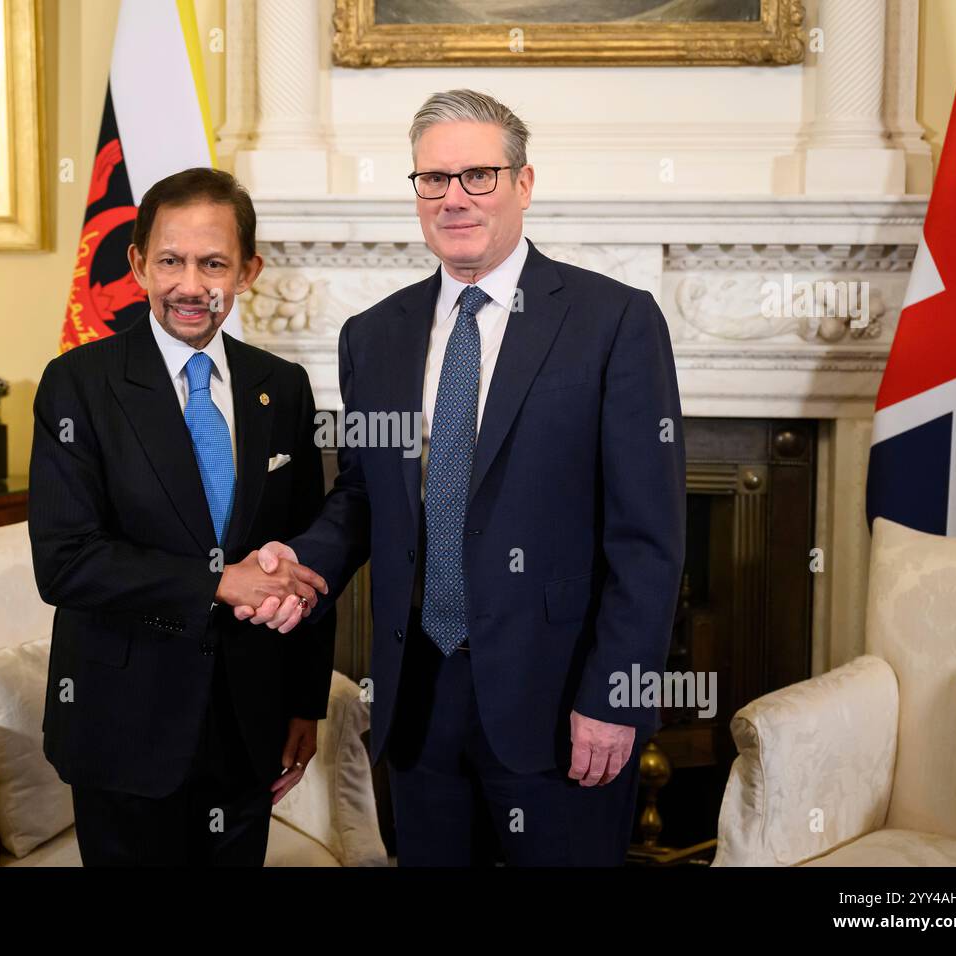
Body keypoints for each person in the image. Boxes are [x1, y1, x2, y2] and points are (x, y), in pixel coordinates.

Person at [238, 90, 686, 866]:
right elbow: (364, 495)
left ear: (524, 182)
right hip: (418, 702)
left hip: (560, 706)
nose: (454, 197)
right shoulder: (374, 335)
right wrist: (302, 564)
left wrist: (617, 696)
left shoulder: (613, 322)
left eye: (478, 175)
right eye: (433, 179)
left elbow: (649, 538)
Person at [29, 167, 333, 866]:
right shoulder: (77, 385)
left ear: (249, 271)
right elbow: (66, 562)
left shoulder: (281, 388)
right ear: (137, 264)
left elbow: (307, 554)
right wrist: (218, 582)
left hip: (250, 722)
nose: (191, 285)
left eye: (213, 263)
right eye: (170, 260)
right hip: (123, 724)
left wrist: (303, 704)